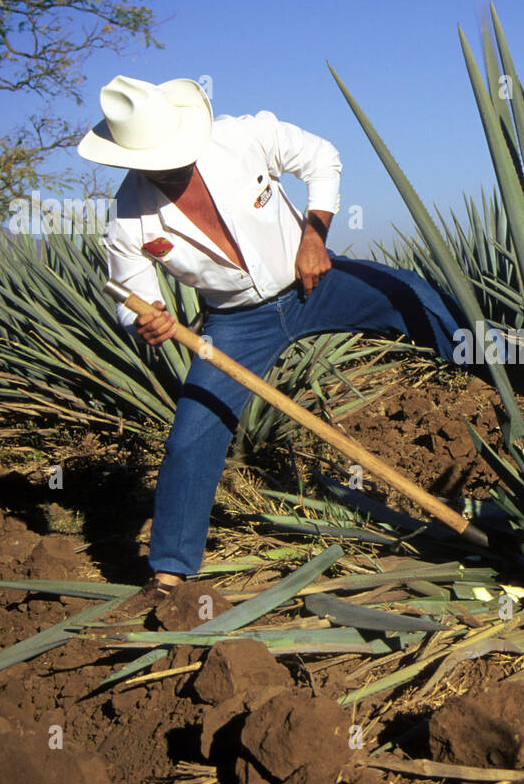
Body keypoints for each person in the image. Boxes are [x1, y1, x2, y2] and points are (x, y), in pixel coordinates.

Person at [78, 75, 469, 607]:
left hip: (314, 281)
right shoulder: (128, 219)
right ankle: (169, 575)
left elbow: (322, 157)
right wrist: (147, 322)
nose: (171, 165)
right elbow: (133, 300)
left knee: (412, 294)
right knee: (191, 436)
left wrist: (315, 235)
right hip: (237, 324)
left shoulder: (242, 137)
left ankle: (506, 370)